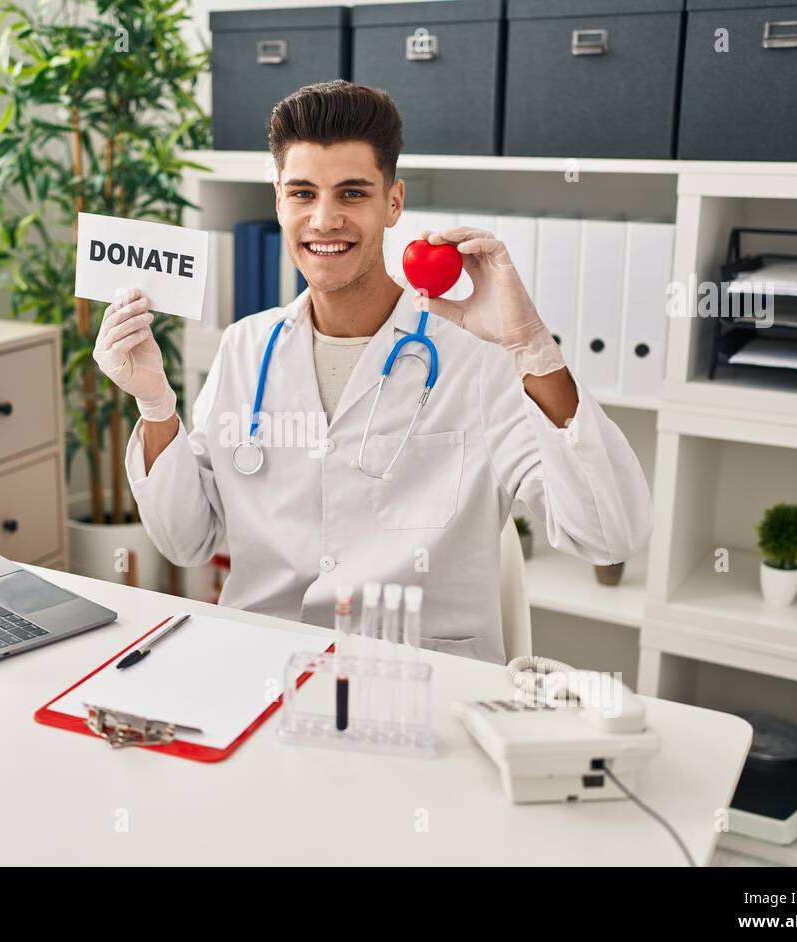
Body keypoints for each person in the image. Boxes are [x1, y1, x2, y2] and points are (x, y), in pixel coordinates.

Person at [93, 80, 651, 662]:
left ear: (393, 202)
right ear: (279, 202)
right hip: (260, 671)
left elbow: (609, 535)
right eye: (302, 193)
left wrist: (532, 347)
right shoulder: (245, 347)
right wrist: (156, 404)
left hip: (416, 684)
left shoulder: (476, 357)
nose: (324, 218)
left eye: (352, 193)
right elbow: (187, 542)